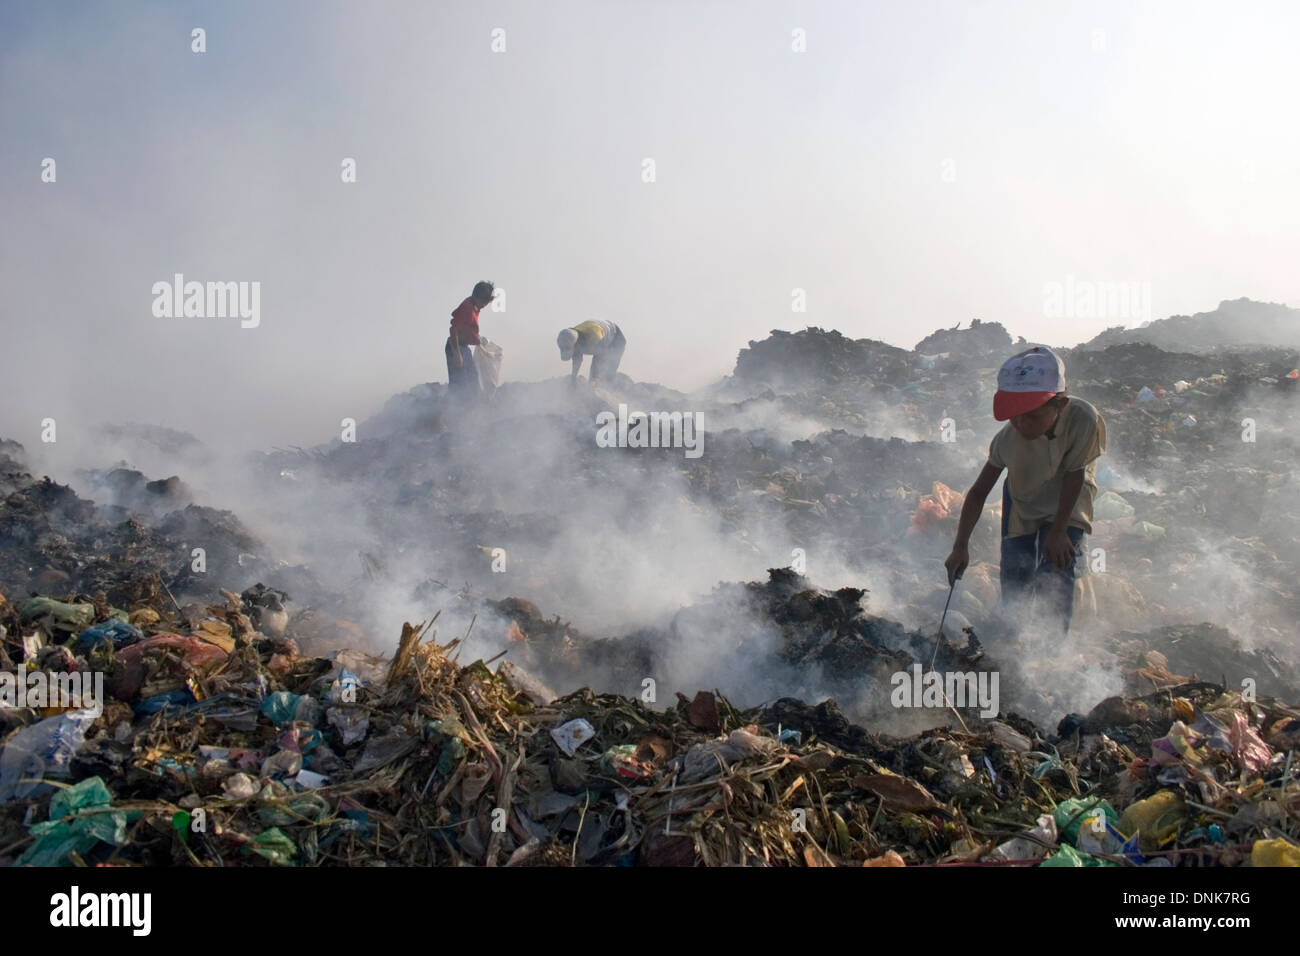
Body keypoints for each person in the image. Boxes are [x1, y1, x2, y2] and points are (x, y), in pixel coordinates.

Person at [944, 346, 1106, 633]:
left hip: (1068, 498)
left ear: (1060, 403)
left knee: (1056, 568)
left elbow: (1074, 474)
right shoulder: (1007, 440)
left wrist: (1058, 532)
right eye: (1014, 416)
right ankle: (1011, 641)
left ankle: (1051, 649)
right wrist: (960, 547)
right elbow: (979, 491)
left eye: (1031, 416)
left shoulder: (1083, 419)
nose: (1021, 424)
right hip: (1023, 499)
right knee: (1016, 572)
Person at [446, 281, 496, 401]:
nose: (484, 305)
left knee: (473, 379)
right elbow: (453, 329)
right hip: (456, 347)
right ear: (477, 297)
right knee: (458, 385)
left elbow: (468, 328)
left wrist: (478, 339)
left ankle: (473, 411)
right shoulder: (467, 307)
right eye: (484, 302)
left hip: (464, 348)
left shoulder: (474, 307)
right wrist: (457, 354)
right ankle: (449, 413)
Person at [557, 320, 626, 385]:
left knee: (608, 373)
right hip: (598, 329)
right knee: (595, 379)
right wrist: (573, 378)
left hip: (616, 337)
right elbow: (577, 359)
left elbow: (599, 359)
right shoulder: (572, 336)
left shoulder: (594, 339)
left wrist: (593, 379)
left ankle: (610, 389)